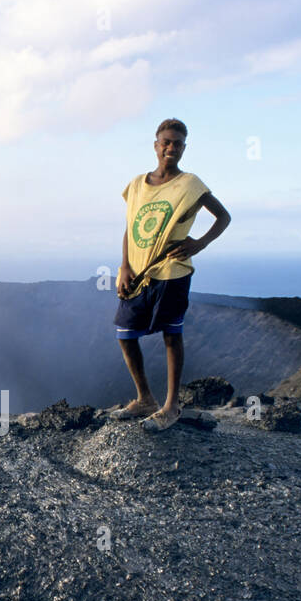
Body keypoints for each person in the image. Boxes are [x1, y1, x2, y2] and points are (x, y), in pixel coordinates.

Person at [111, 118, 231, 430]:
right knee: (125, 334)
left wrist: (199, 244)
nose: (171, 147)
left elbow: (223, 216)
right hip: (139, 274)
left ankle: (171, 406)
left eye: (177, 143)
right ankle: (145, 399)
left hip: (172, 272)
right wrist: (124, 266)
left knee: (171, 335)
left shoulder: (190, 184)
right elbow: (130, 226)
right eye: (166, 141)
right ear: (155, 145)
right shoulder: (138, 184)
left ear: (183, 148)